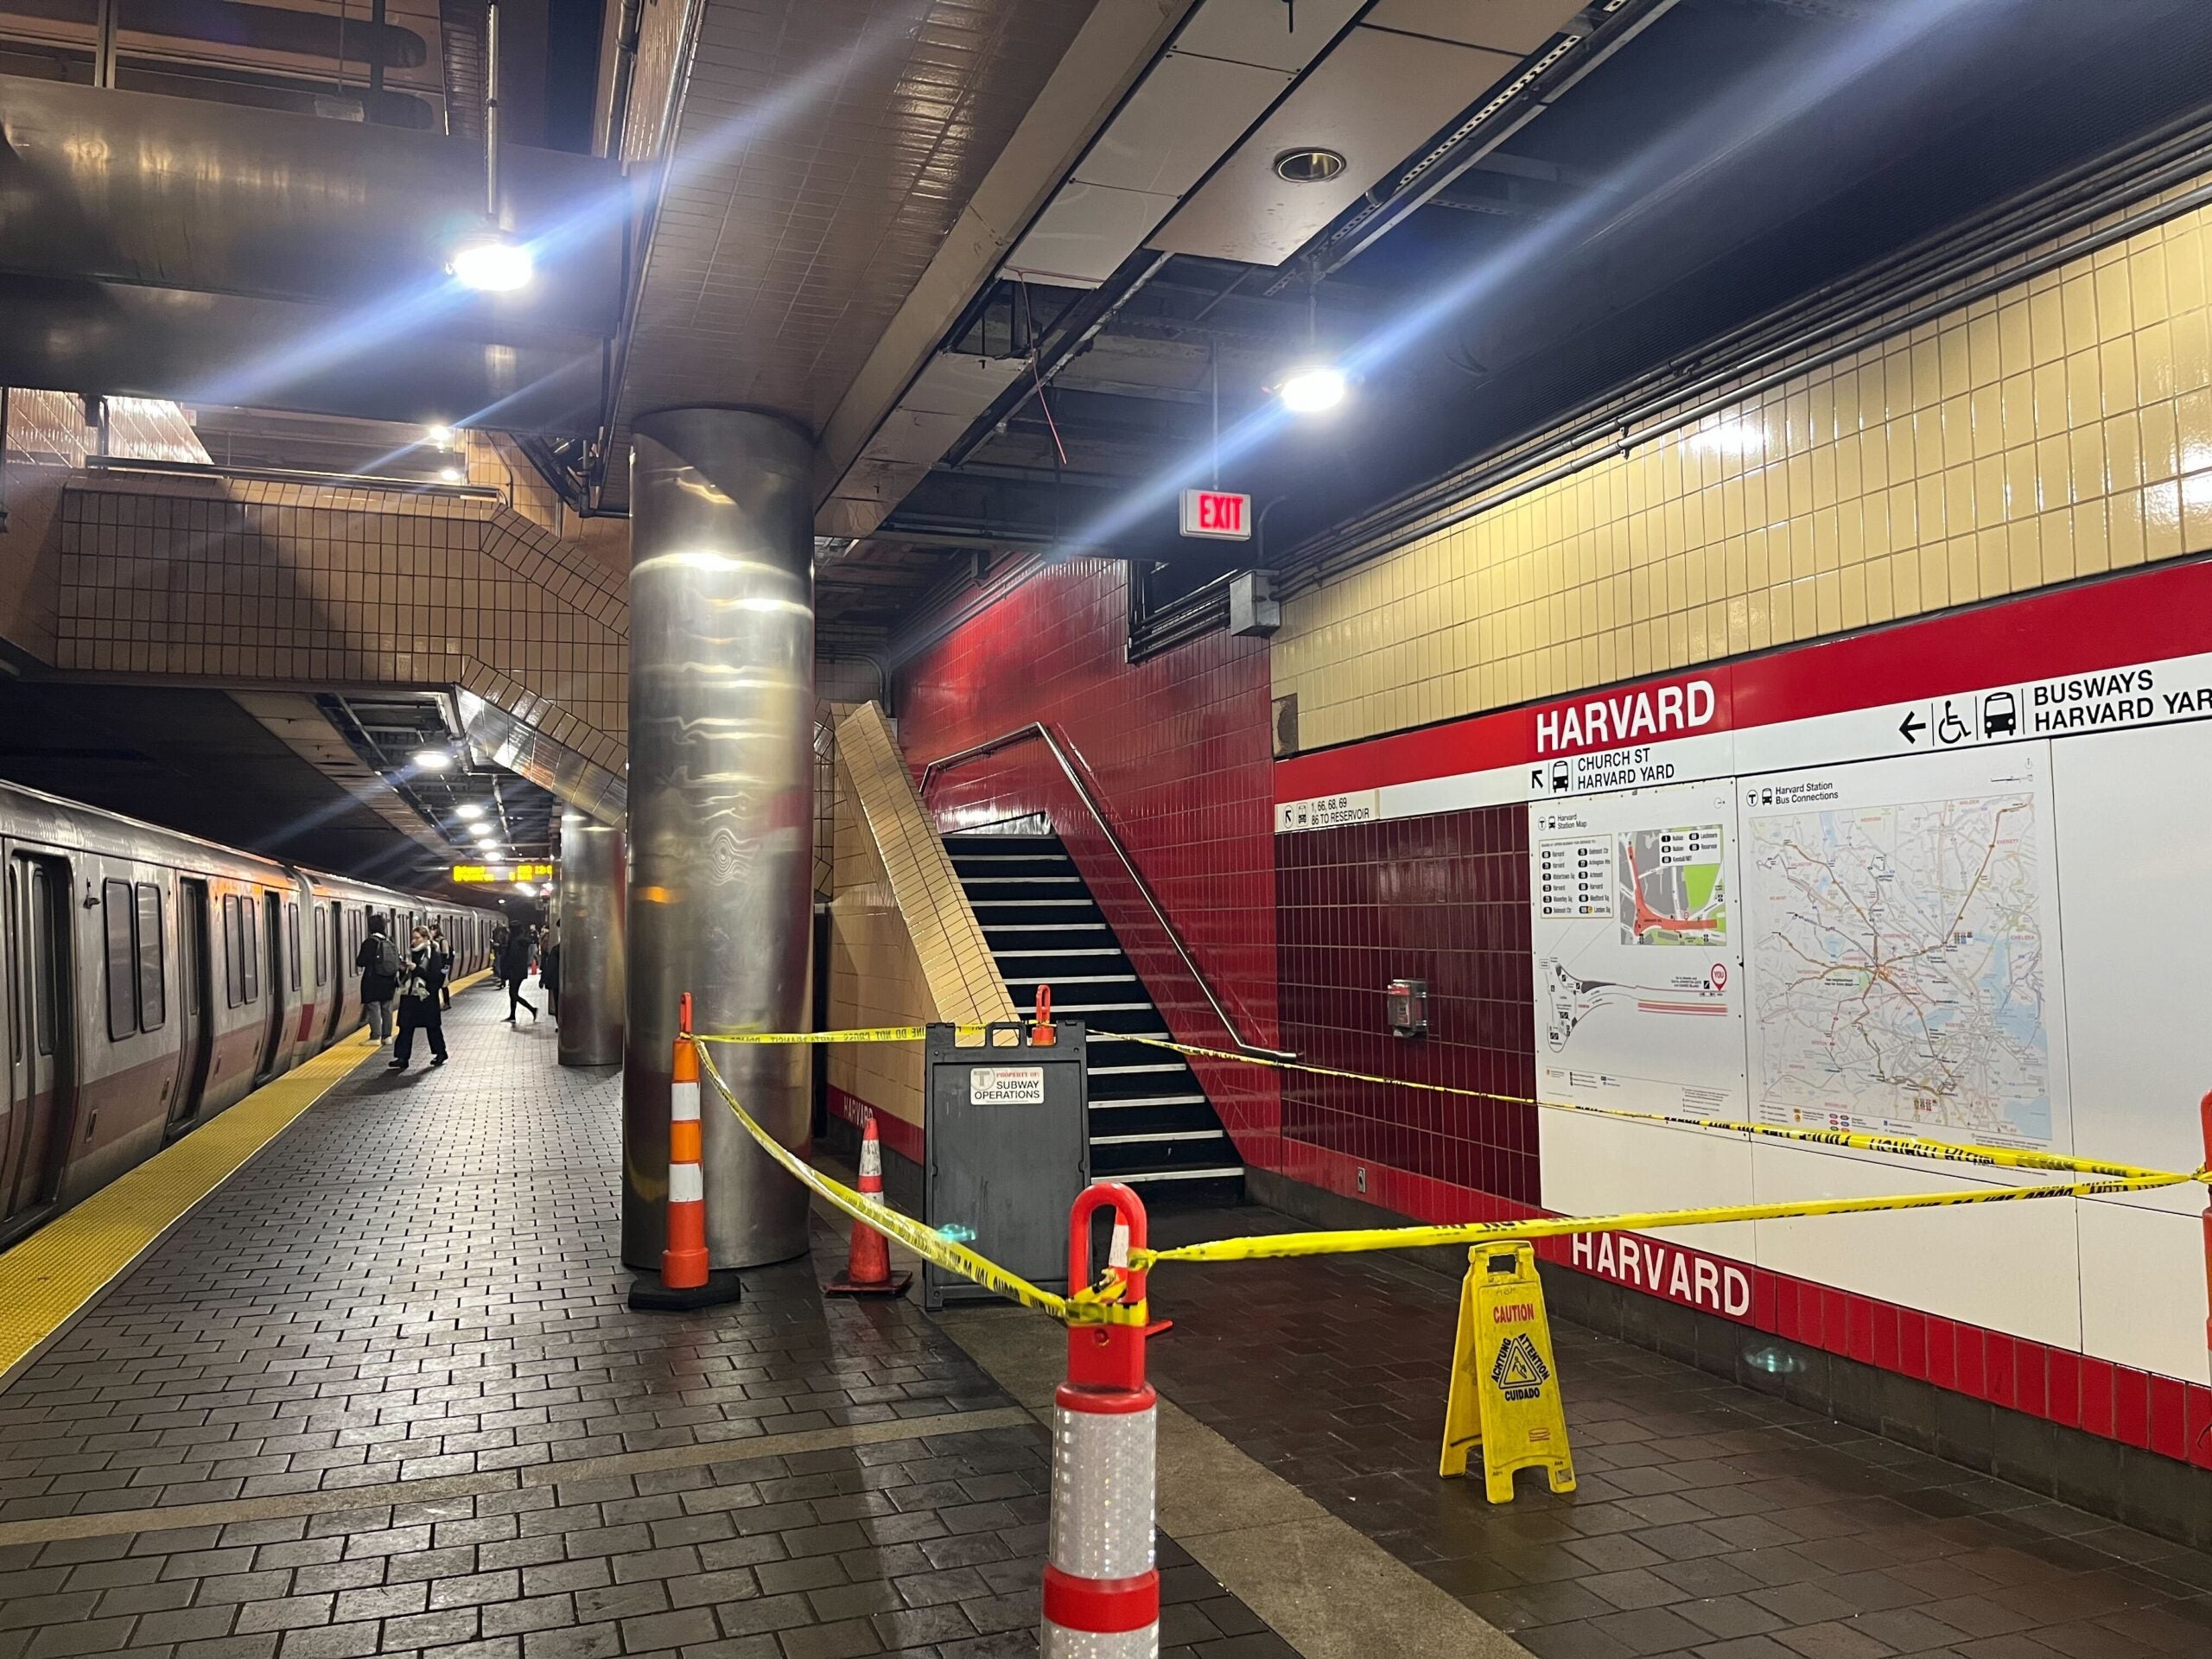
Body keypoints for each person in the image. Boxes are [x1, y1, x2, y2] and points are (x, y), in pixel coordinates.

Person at [389, 926, 448, 1070]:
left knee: (432, 1027)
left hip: (426, 996)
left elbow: (435, 977)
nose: (414, 941)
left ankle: (441, 1053)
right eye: (413, 938)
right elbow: (405, 977)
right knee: (405, 1027)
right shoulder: (410, 954)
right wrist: (403, 970)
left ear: (426, 938)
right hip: (410, 996)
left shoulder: (434, 955)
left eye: (417, 938)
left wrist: (417, 969)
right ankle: (402, 1057)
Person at [355, 914, 401, 1046]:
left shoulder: (370, 943)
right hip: (389, 981)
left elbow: (361, 961)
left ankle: (375, 1036)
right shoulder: (390, 941)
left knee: (374, 1008)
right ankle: (387, 1036)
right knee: (387, 1008)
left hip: (373, 981)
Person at [499, 920, 537, 1022]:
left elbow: (511, 958)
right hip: (519, 971)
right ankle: (512, 1015)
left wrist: (505, 971)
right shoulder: (522, 940)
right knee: (513, 993)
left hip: (514, 971)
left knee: (513, 994)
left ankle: (532, 1009)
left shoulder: (515, 942)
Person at [429, 925, 454, 1009]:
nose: (431, 932)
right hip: (436, 967)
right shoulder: (432, 941)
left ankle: (447, 1003)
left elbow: (445, 954)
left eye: (432, 930)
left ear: (437, 931)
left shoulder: (443, 941)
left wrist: (444, 967)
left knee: (444, 984)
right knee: (437, 985)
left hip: (444, 966)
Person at [538, 931, 561, 1019]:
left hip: (557, 982)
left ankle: (561, 1026)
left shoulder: (556, 950)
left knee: (558, 1004)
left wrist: (544, 980)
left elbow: (550, 966)